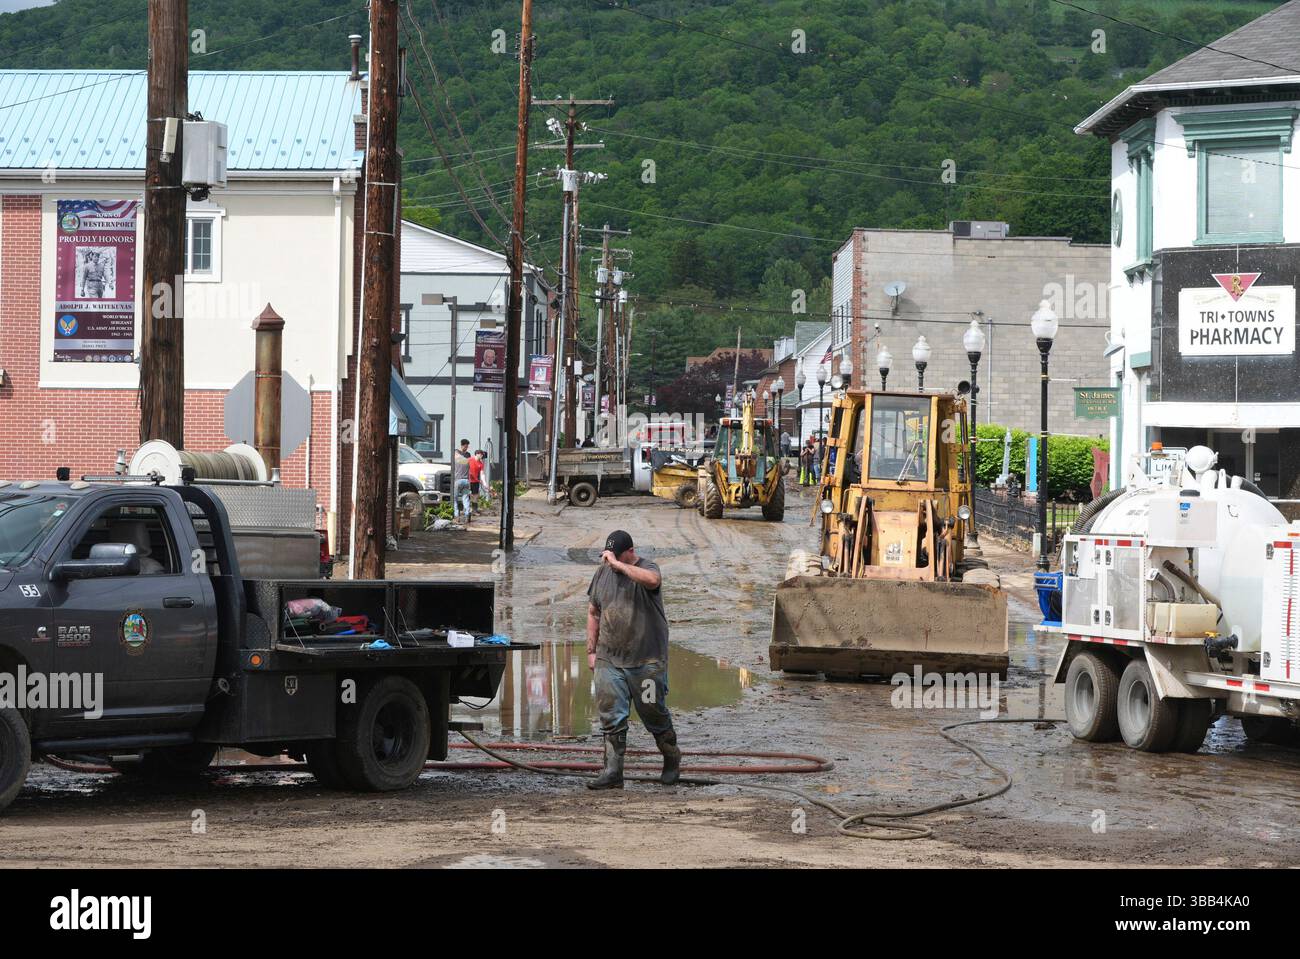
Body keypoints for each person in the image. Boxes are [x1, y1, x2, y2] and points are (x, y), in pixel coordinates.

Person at [585, 529, 680, 790]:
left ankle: (671, 757)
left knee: (653, 712)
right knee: (611, 714)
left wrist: (619, 565)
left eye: (615, 557)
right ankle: (613, 772)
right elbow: (593, 612)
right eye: (608, 557)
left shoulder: (647, 568)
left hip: (646, 661)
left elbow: (652, 580)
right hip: (610, 657)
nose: (610, 562)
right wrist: (591, 651)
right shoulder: (603, 571)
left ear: (630, 552)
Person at [453, 439, 473, 523]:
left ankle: (457, 516)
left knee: (454, 499)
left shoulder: (456, 453)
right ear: (462, 445)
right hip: (466, 480)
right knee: (465, 498)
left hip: (458, 480)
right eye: (466, 446)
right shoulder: (468, 455)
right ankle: (467, 514)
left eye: (467, 446)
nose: (467, 448)